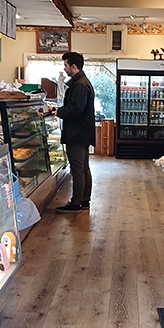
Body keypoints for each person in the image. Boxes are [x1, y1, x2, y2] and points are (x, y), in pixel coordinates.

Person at [51, 51, 95, 212]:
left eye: (65, 65)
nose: (65, 69)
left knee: (77, 169)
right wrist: (60, 110)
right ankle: (84, 201)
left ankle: (76, 204)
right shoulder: (82, 82)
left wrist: (58, 112)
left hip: (77, 133)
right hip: (82, 132)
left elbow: (76, 109)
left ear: (73, 66)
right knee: (83, 168)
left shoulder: (80, 85)